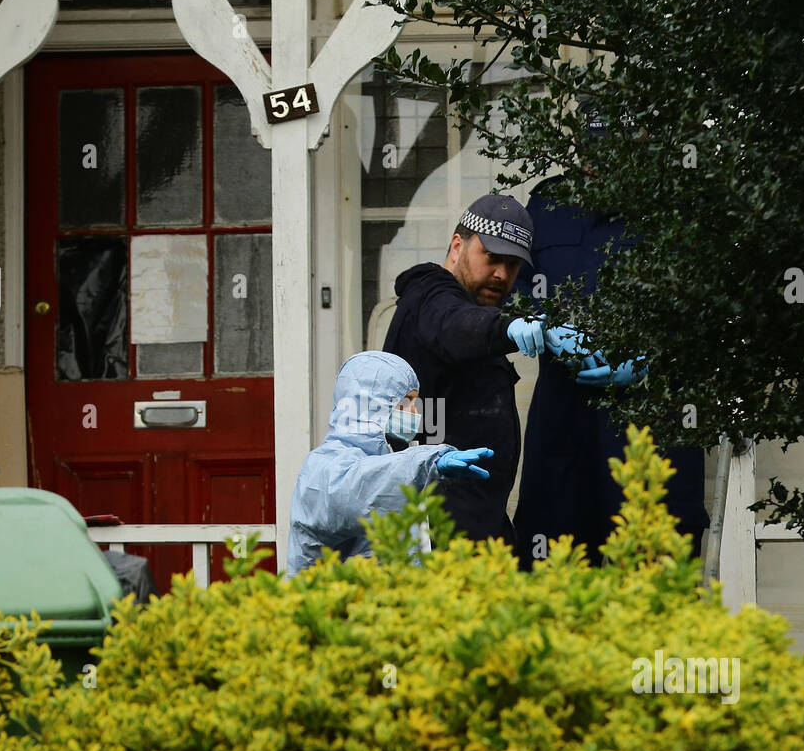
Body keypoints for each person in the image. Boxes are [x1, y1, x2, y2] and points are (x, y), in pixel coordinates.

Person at [512, 172, 710, 570]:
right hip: (563, 427)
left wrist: (654, 361)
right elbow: (513, 282)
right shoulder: (548, 204)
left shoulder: (682, 200)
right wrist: (540, 323)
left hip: (652, 427)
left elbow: (717, 311)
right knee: (552, 571)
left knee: (655, 571)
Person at [381, 194, 549, 550]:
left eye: (513, 265)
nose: (502, 274)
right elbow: (456, 325)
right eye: (492, 257)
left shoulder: (463, 303)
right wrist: (508, 327)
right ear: (458, 246)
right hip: (435, 533)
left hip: (475, 525)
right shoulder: (431, 295)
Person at [286, 351, 493, 578]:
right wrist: (428, 463)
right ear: (370, 404)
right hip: (333, 600)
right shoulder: (323, 466)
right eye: (406, 402)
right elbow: (359, 489)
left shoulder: (382, 459)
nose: (415, 412)